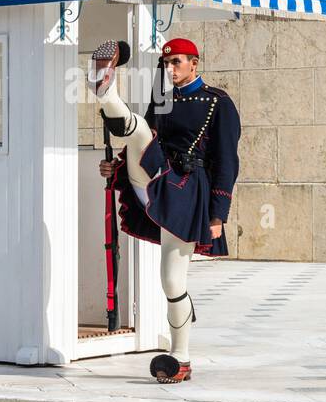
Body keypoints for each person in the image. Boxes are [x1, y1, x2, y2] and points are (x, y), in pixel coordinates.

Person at [92, 37, 241, 383]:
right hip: (153, 175)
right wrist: (114, 168)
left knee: (172, 281)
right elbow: (142, 141)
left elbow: (227, 162)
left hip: (187, 191)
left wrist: (218, 214)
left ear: (194, 63)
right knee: (139, 130)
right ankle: (105, 91)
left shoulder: (218, 103)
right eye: (167, 63)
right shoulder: (160, 99)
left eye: (177, 62)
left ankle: (181, 357)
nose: (170, 68)